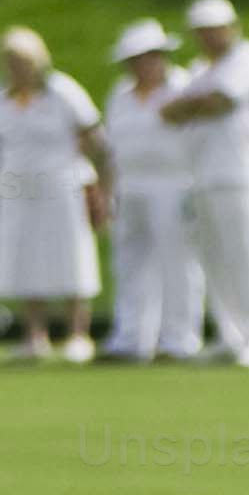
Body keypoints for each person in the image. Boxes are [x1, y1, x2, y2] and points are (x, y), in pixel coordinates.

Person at [155, 0, 249, 366]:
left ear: (231, 28)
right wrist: (195, 104)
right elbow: (169, 113)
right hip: (201, 176)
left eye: (214, 30)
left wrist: (192, 105)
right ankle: (230, 335)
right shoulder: (198, 70)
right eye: (201, 32)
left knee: (243, 254)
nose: (208, 38)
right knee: (214, 258)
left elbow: (223, 101)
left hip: (238, 172)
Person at [0, 31, 104, 362]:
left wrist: (96, 184)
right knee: (25, 257)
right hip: (17, 191)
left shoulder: (63, 90)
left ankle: (79, 334)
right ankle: (35, 335)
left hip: (61, 188)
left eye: (23, 61)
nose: (17, 68)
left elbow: (93, 136)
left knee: (69, 254)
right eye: (11, 61)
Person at [94, 24, 192, 363]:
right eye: (136, 59)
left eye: (150, 57)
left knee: (177, 261)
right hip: (129, 184)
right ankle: (131, 338)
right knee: (129, 261)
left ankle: (179, 339)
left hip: (173, 183)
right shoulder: (119, 93)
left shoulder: (184, 87)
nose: (144, 65)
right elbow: (110, 150)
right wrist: (106, 194)